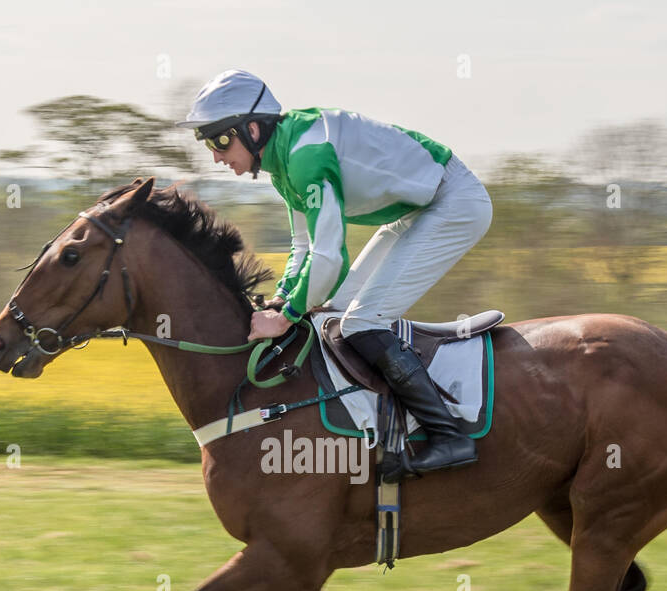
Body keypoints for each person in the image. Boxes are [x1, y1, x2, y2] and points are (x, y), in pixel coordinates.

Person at [175, 69, 493, 477]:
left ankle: (448, 436)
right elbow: (304, 249)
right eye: (209, 144)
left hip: (453, 203)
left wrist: (286, 317)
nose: (216, 155)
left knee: (360, 322)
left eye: (220, 140)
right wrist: (284, 299)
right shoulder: (283, 164)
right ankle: (377, 428)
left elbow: (329, 258)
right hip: (421, 209)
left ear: (252, 128)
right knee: (335, 316)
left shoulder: (305, 157)